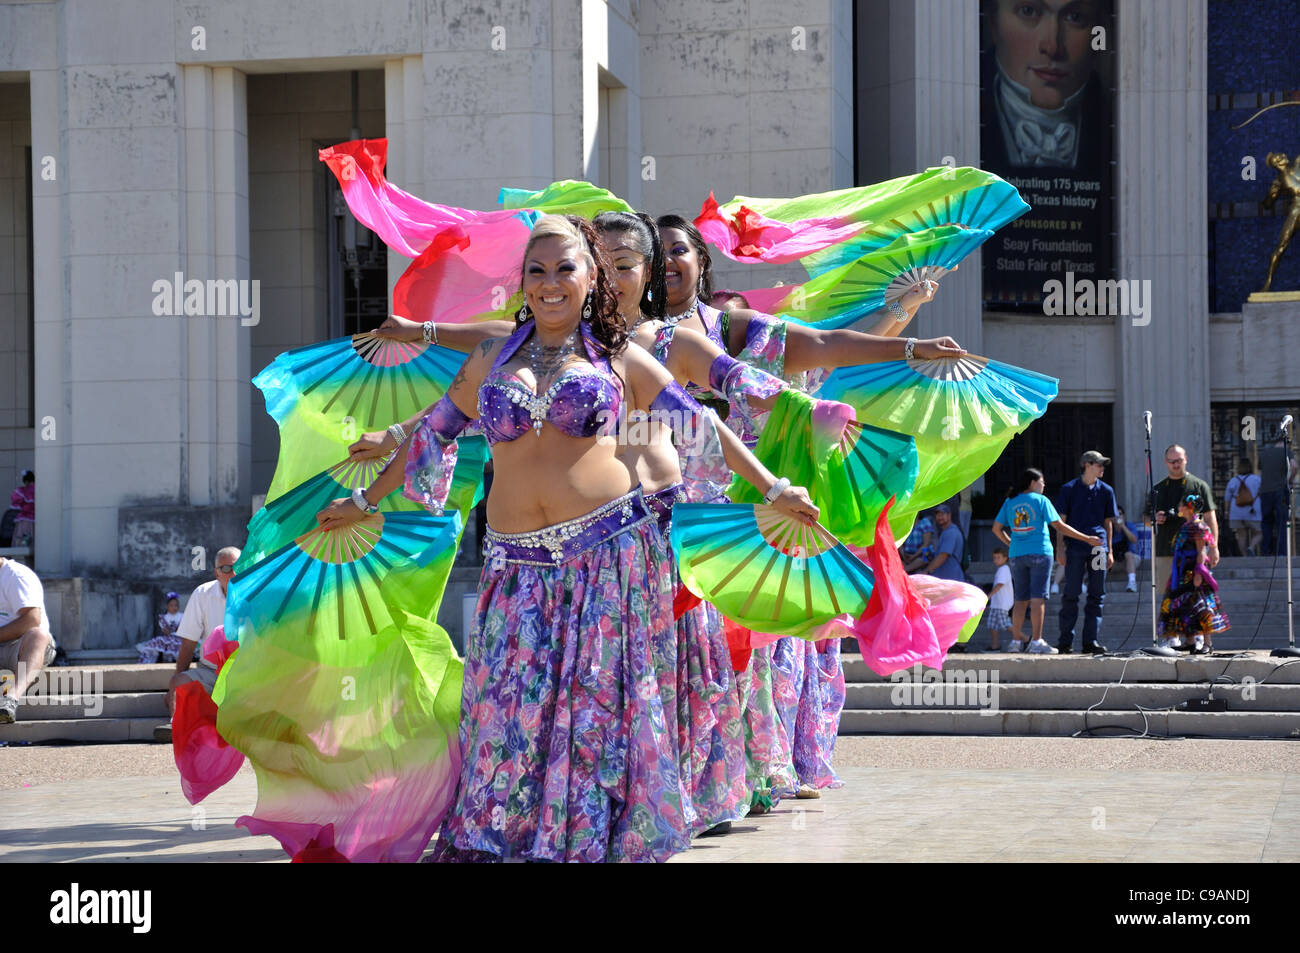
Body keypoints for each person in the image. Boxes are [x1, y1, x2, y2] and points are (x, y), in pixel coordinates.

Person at [321, 215, 818, 863]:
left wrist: (776, 488)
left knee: (595, 730)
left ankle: (584, 847)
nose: (551, 282)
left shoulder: (622, 359)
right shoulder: (491, 358)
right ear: (523, 281)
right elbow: (433, 432)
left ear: (592, 280)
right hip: (516, 572)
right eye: (538, 269)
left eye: (566, 268)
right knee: (507, 720)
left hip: (603, 568)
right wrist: (364, 500)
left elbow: (701, 427)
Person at [992, 467, 1101, 653]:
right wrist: (1087, 538)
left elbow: (996, 528)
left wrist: (1011, 544)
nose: (1044, 485)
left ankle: (1016, 642)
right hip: (1040, 553)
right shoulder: (1041, 500)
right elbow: (1059, 525)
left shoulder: (1010, 502)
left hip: (1017, 555)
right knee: (1037, 599)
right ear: (1033, 482)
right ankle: (1036, 641)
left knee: (1020, 600)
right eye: (1042, 482)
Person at [1055, 450, 1119, 654]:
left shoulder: (1107, 491)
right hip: (1074, 548)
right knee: (1071, 593)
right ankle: (1065, 641)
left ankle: (1090, 641)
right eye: (1098, 464)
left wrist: (1109, 550)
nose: (1102, 468)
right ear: (1087, 465)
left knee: (1097, 594)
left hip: (1099, 549)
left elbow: (1108, 523)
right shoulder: (1069, 489)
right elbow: (1060, 522)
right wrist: (1060, 549)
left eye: (1102, 465)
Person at [167, 547, 240, 715]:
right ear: (217, 573)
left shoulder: (258, 594)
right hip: (211, 672)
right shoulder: (202, 594)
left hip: (246, 672)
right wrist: (174, 688)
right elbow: (188, 643)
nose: (234, 573)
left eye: (240, 567)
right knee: (178, 683)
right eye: (227, 569)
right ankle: (173, 726)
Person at [1158, 494, 1229, 654]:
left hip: (1193, 571)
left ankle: (1207, 643)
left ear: (1189, 507)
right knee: (1185, 606)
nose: (1178, 508)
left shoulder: (1198, 526)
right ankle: (1189, 641)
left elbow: (1201, 551)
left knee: (1201, 606)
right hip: (1182, 571)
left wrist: (1198, 572)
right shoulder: (1186, 525)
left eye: (1181, 505)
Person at [1148, 445, 1219, 594]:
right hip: (1165, 551)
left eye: (1178, 460)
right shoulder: (1157, 489)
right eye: (1171, 461)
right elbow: (1145, 518)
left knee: (1195, 597)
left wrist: (1214, 547)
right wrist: (1154, 519)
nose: (1175, 465)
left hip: (1195, 553)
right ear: (1165, 462)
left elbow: (1210, 518)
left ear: (1186, 459)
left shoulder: (1199, 486)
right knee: (1167, 600)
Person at [0, 555, 55, 724]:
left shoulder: (15, 575)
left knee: (38, 634)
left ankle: (11, 700)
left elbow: (32, 620)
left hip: (22, 648)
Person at [1257, 435, 1297, 557]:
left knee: (1266, 522)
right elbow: (1294, 466)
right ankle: (1282, 552)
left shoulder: (1264, 453)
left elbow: (1260, 471)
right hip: (1280, 491)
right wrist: (1290, 480)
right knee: (1282, 522)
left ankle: (1266, 551)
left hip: (1265, 492)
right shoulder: (1286, 451)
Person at [1224, 456, 1262, 557]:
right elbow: (1262, 493)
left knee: (1241, 535)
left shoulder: (1232, 481)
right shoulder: (1256, 479)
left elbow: (1227, 498)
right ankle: (1252, 547)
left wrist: (1226, 512)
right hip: (1253, 509)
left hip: (1236, 511)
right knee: (1259, 532)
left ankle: (1245, 556)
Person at [920, 503, 966, 582]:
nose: (939, 517)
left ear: (949, 516)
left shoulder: (951, 532)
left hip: (951, 579)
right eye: (938, 515)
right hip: (945, 579)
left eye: (942, 514)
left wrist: (927, 571)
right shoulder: (945, 532)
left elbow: (943, 555)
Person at [137, 592, 184, 664]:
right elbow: (166, 631)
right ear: (167, 606)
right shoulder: (164, 618)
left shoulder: (182, 616)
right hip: (168, 637)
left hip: (179, 637)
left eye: (176, 605)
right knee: (158, 641)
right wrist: (169, 631)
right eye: (171, 605)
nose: (174, 607)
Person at [1112, 505, 1148, 592]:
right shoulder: (1109, 528)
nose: (1118, 516)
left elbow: (1134, 540)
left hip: (1131, 559)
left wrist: (1123, 527)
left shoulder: (1130, 526)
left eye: (1120, 514)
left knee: (1128, 554)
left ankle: (1132, 582)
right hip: (1113, 560)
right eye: (1115, 514)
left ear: (1124, 516)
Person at [986, 545, 1014, 651]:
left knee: (1005, 625)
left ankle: (1026, 639)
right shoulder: (1001, 569)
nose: (996, 560)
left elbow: (999, 585)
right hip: (996, 604)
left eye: (998, 557)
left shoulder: (1004, 569)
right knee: (992, 625)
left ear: (1005, 558)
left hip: (1002, 604)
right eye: (994, 558)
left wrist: (988, 596)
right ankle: (995, 646)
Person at [9, 470, 33, 548]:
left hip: (25, 519)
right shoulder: (39, 490)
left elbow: (16, 502)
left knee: (22, 540)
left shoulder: (23, 490)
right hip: (38, 519)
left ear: (25, 481)